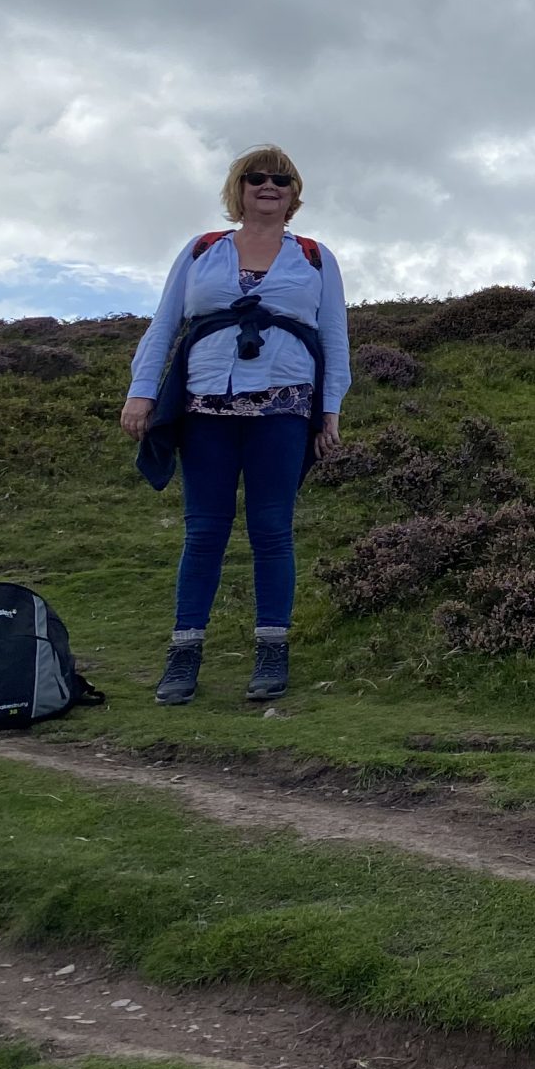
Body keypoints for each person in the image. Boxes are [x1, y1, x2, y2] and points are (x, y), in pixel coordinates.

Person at [120, 144, 351, 708]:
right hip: (205, 407)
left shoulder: (316, 257)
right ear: (239, 189)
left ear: (294, 194)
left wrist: (331, 408)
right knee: (204, 532)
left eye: (281, 180)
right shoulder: (202, 249)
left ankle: (272, 652)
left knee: (272, 530)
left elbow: (334, 336)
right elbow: (165, 323)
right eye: (256, 178)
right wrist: (141, 392)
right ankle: (183, 654)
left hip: (285, 406)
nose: (268, 186)